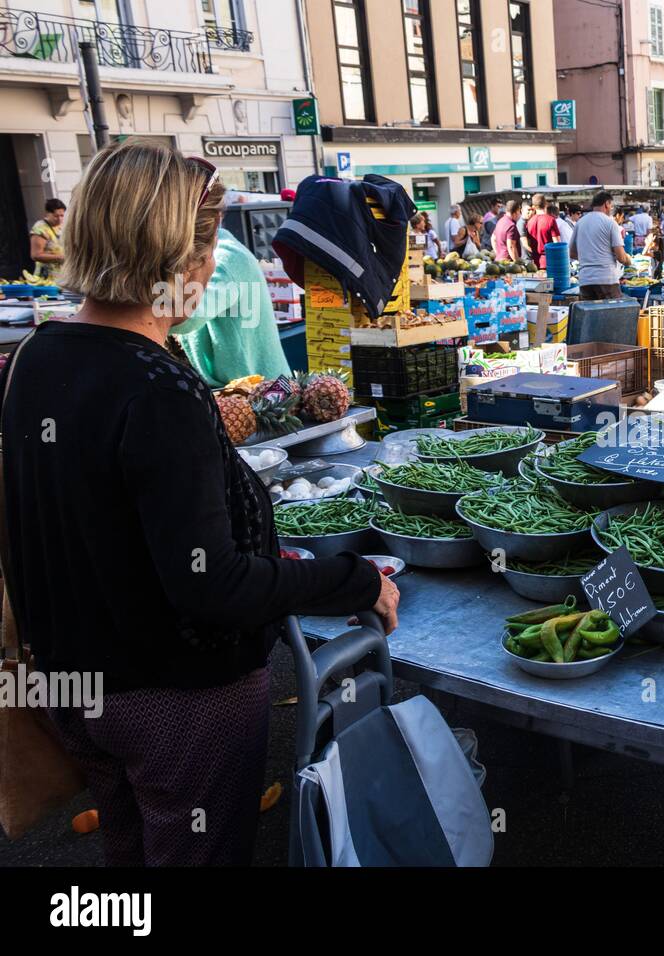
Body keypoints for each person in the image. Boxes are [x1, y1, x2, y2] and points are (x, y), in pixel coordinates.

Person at [0, 139, 398, 866]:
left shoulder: (36, 357)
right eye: (207, 254)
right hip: (170, 702)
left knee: (127, 857)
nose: (211, 271)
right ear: (179, 262)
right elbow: (211, 584)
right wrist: (355, 579)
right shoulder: (158, 387)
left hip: (73, 688)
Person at [172, 227, 294, 386]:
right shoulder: (203, 253)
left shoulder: (228, 258)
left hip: (266, 390)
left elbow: (186, 316)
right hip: (244, 390)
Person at [570, 189, 632, 300]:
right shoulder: (610, 223)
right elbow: (621, 257)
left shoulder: (580, 223)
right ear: (606, 204)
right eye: (611, 206)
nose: (611, 209)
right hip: (606, 279)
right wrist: (628, 260)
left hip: (585, 280)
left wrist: (590, 259)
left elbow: (572, 253)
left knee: (590, 315)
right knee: (609, 316)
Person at [29, 198, 66, 280]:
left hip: (62, 274)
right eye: (56, 216)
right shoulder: (40, 228)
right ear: (47, 213)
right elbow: (35, 255)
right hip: (47, 276)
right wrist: (61, 257)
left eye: (62, 215)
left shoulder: (62, 225)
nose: (59, 219)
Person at [525, 198, 561, 269]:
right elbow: (557, 244)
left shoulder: (529, 221)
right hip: (550, 262)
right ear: (545, 205)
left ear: (534, 207)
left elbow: (528, 244)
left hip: (535, 264)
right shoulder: (550, 220)